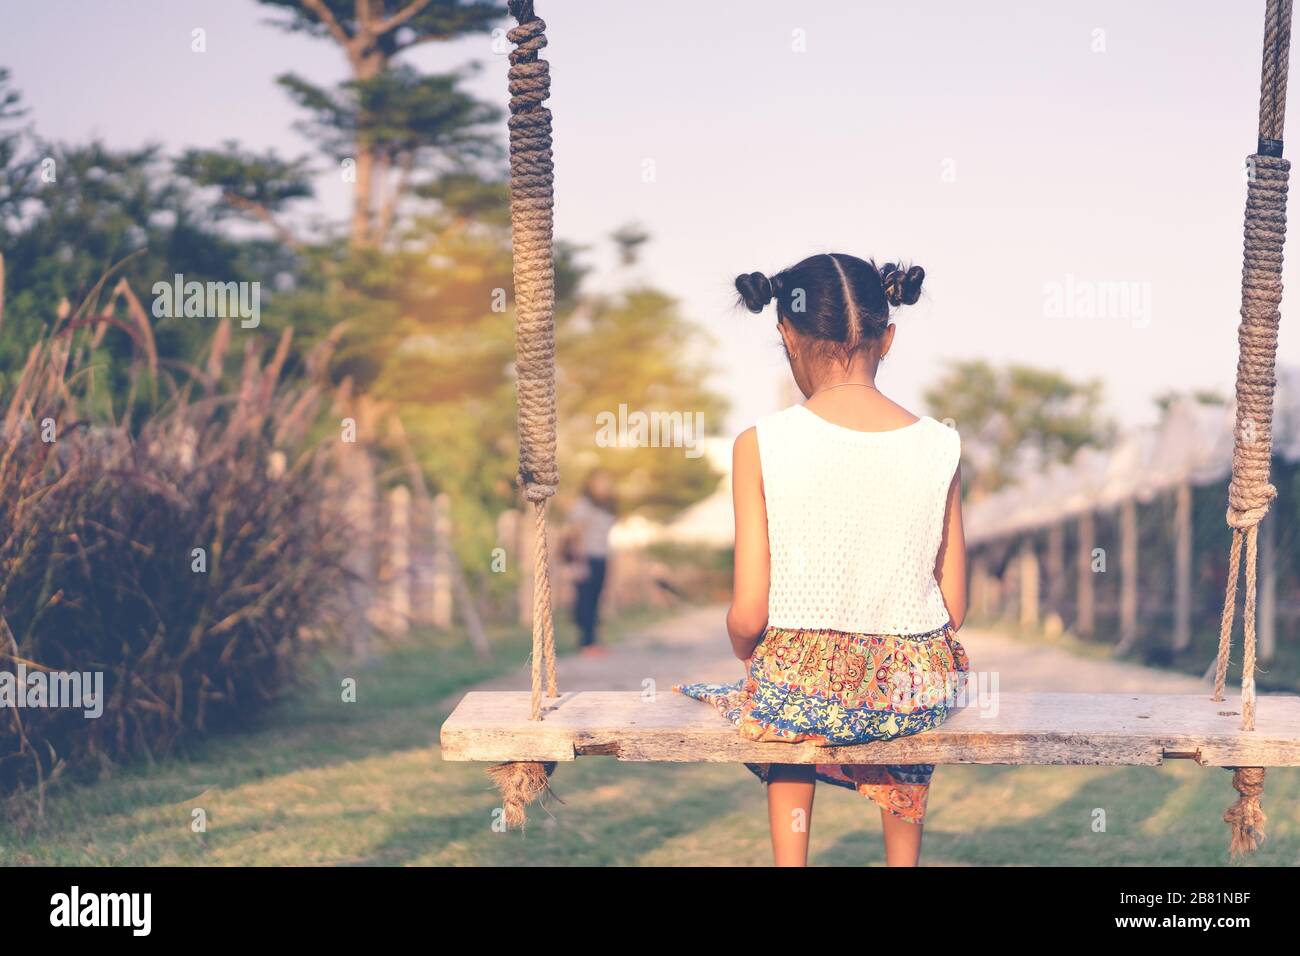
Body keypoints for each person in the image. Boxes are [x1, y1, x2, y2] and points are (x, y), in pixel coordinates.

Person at [674, 253, 969, 867]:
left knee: (783, 691)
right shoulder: (941, 444)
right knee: (899, 683)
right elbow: (954, 608)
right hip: (914, 688)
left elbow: (749, 613)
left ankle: (792, 862)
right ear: (888, 337)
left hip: (800, 687)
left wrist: (746, 649)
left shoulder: (760, 444)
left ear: (787, 333)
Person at [566, 469, 618, 656]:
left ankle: (593, 640)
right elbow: (575, 535)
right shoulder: (583, 506)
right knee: (585, 600)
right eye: (601, 482)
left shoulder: (605, 507)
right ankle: (586, 642)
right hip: (586, 557)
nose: (606, 486)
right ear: (591, 484)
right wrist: (579, 562)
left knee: (596, 600)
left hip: (601, 557)